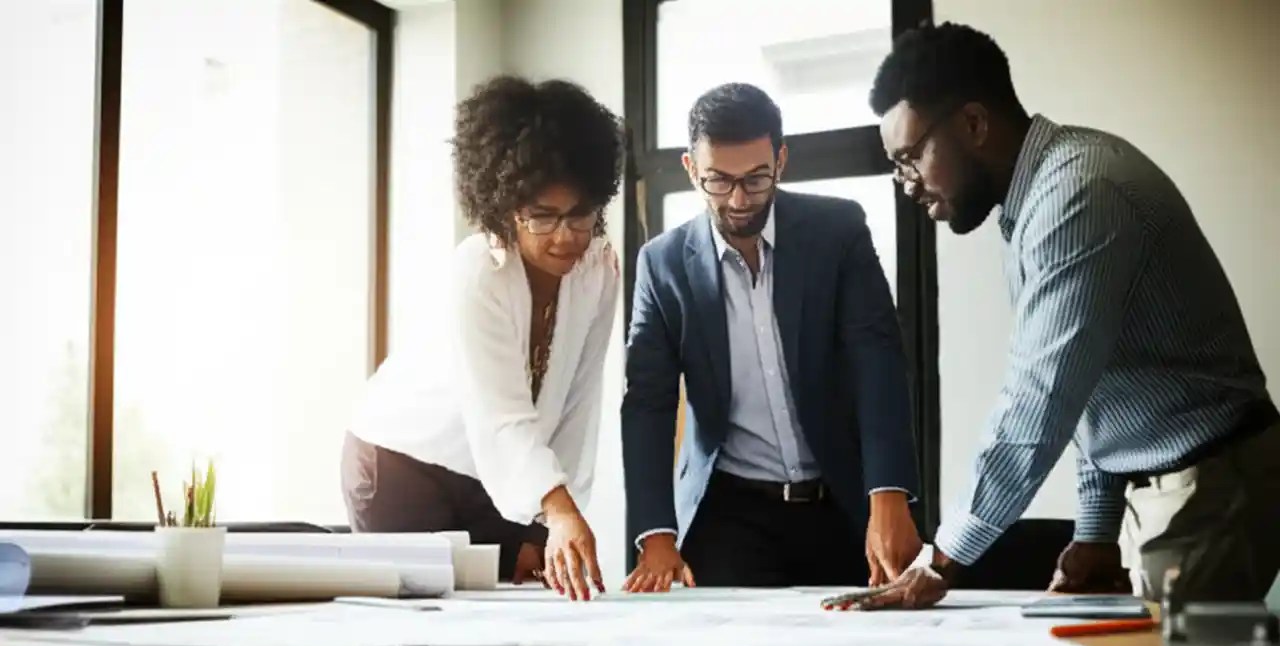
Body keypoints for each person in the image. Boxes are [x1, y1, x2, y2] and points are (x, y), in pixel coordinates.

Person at [849, 22, 1278, 611]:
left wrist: (941, 559)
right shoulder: (1038, 200)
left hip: (1208, 488)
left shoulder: (1078, 193)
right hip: (1175, 488)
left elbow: (1041, 396)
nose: (907, 185)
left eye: (909, 157)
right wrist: (1097, 533)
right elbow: (1093, 386)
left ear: (973, 124)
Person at [621, 82, 924, 591]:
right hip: (730, 513)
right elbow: (647, 401)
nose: (738, 200)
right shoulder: (662, 264)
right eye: (718, 180)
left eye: (756, 178)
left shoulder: (838, 230)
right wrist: (656, 532)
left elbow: (879, 361)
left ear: (781, 161)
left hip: (843, 499)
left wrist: (889, 492)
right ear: (691, 169)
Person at [341, 76, 624, 602]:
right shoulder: (477, 270)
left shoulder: (599, 271)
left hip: (492, 475)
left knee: (526, 600)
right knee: (429, 620)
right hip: (401, 460)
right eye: (542, 215)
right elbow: (501, 417)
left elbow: (578, 407)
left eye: (579, 214)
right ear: (504, 207)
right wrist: (557, 509)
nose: (565, 235)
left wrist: (551, 522)